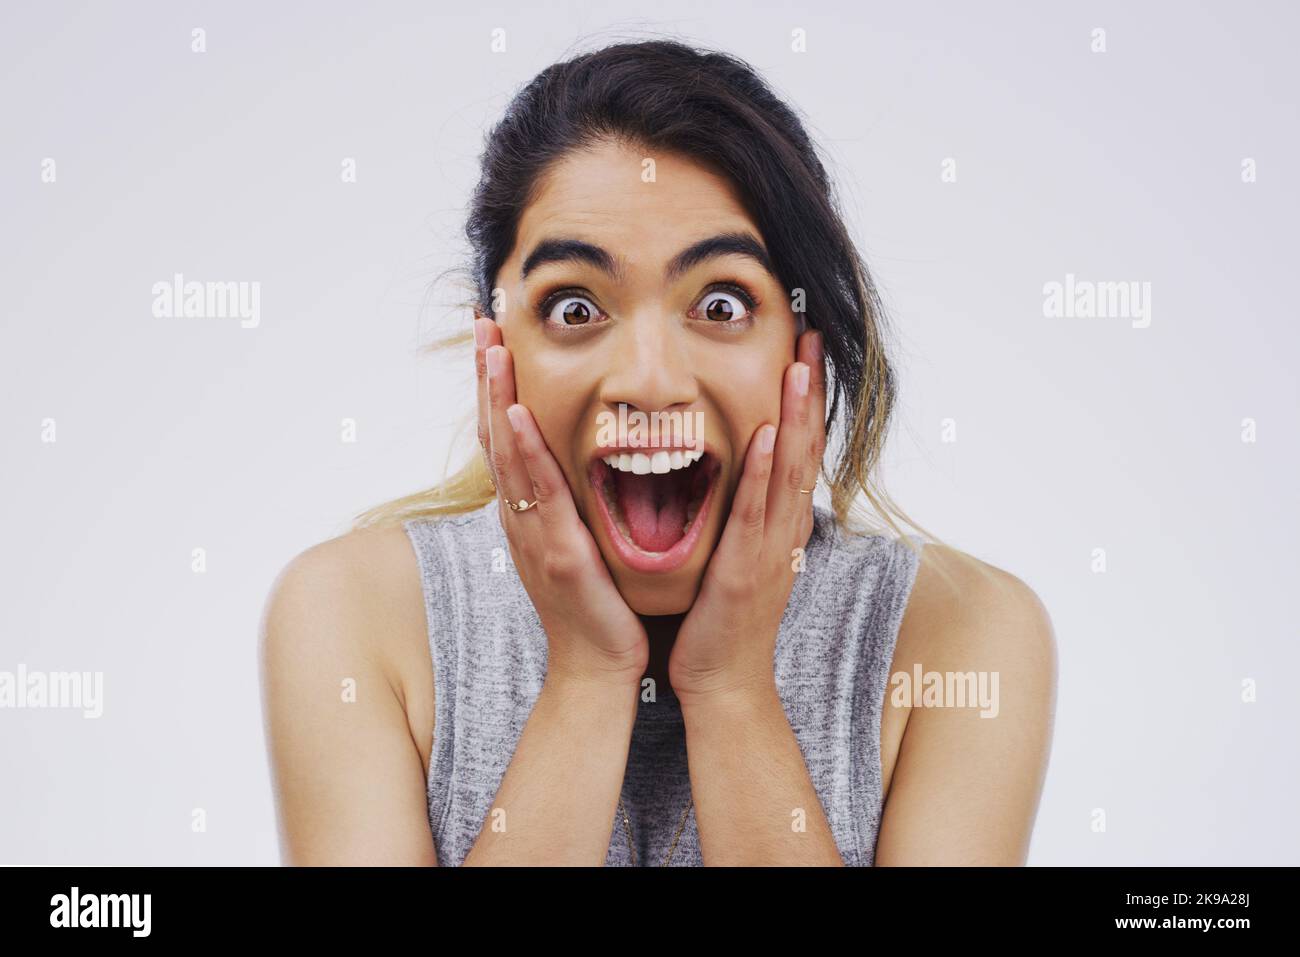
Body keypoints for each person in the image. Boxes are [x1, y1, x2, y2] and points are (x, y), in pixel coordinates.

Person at [259, 38, 1056, 866]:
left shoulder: (962, 634)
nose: (648, 381)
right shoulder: (352, 616)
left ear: (803, 349)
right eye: (574, 308)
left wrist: (732, 686)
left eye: (720, 303)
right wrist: (588, 675)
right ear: (493, 351)